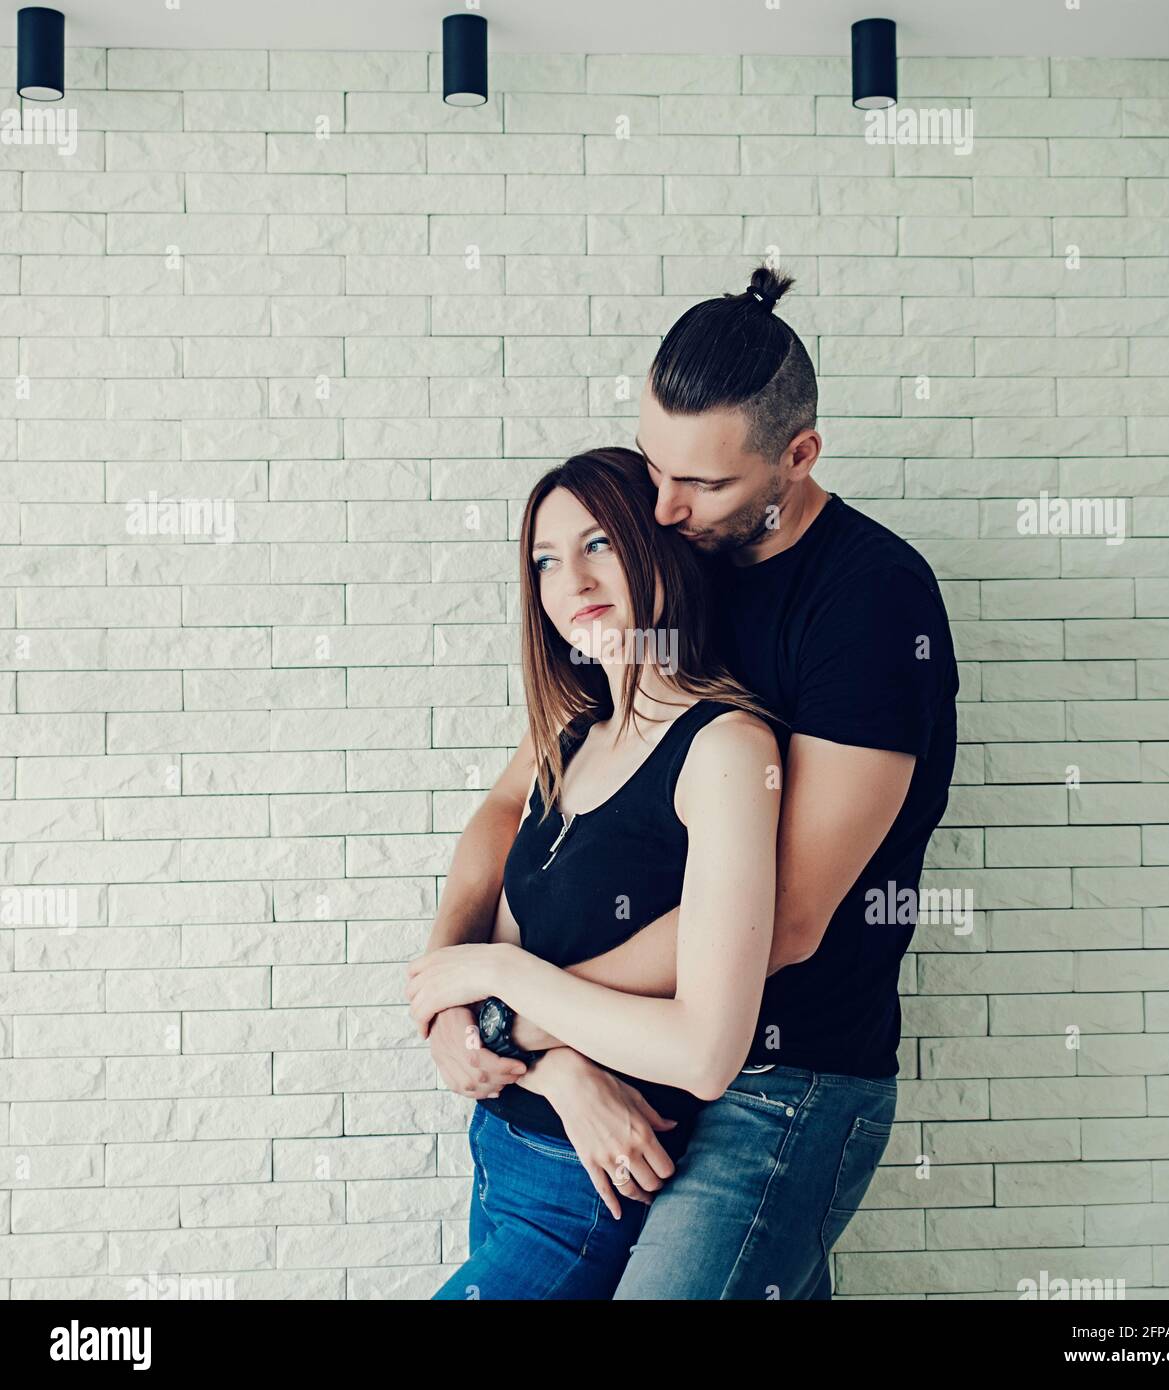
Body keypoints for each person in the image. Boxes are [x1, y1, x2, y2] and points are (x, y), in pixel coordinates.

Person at [417, 264, 960, 1300]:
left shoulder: (869, 603)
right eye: (654, 466)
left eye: (700, 483)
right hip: (651, 1052)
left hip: (782, 1079)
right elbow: (513, 796)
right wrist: (450, 981)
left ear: (798, 456)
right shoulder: (677, 556)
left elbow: (786, 921)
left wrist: (520, 1013)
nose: (660, 508)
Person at [408, 446, 784, 1299]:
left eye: (598, 543)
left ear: (656, 546)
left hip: (585, 1189)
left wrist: (497, 975)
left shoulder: (724, 746)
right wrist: (543, 1063)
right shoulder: (572, 736)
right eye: (544, 560)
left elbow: (702, 1052)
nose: (570, 577)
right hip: (503, 1144)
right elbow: (501, 957)